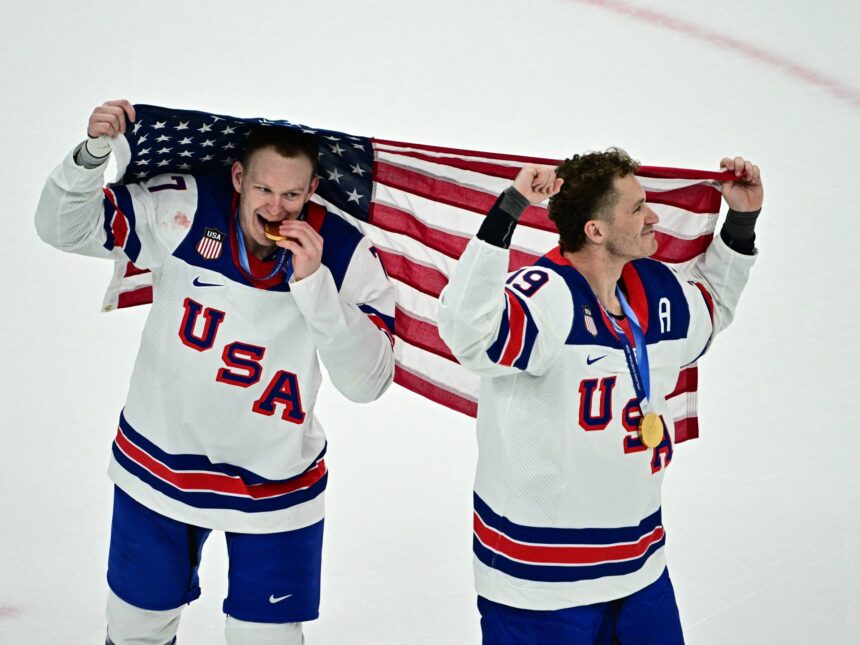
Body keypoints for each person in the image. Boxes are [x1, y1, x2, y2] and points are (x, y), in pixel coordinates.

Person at [35, 100, 396, 645]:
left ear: (313, 188)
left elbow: (367, 384)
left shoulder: (344, 252)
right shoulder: (183, 205)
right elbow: (62, 229)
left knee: (265, 639)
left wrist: (314, 284)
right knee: (136, 630)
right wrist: (90, 157)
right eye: (264, 190)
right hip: (158, 464)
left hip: (276, 481)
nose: (277, 208)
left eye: (293, 194)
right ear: (238, 177)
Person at [437, 148, 762, 644]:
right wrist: (508, 209)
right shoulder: (545, 296)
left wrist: (741, 220)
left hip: (639, 566)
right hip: (540, 580)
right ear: (596, 230)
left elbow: (712, 307)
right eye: (637, 208)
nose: (653, 216)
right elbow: (470, 335)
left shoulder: (657, 291)